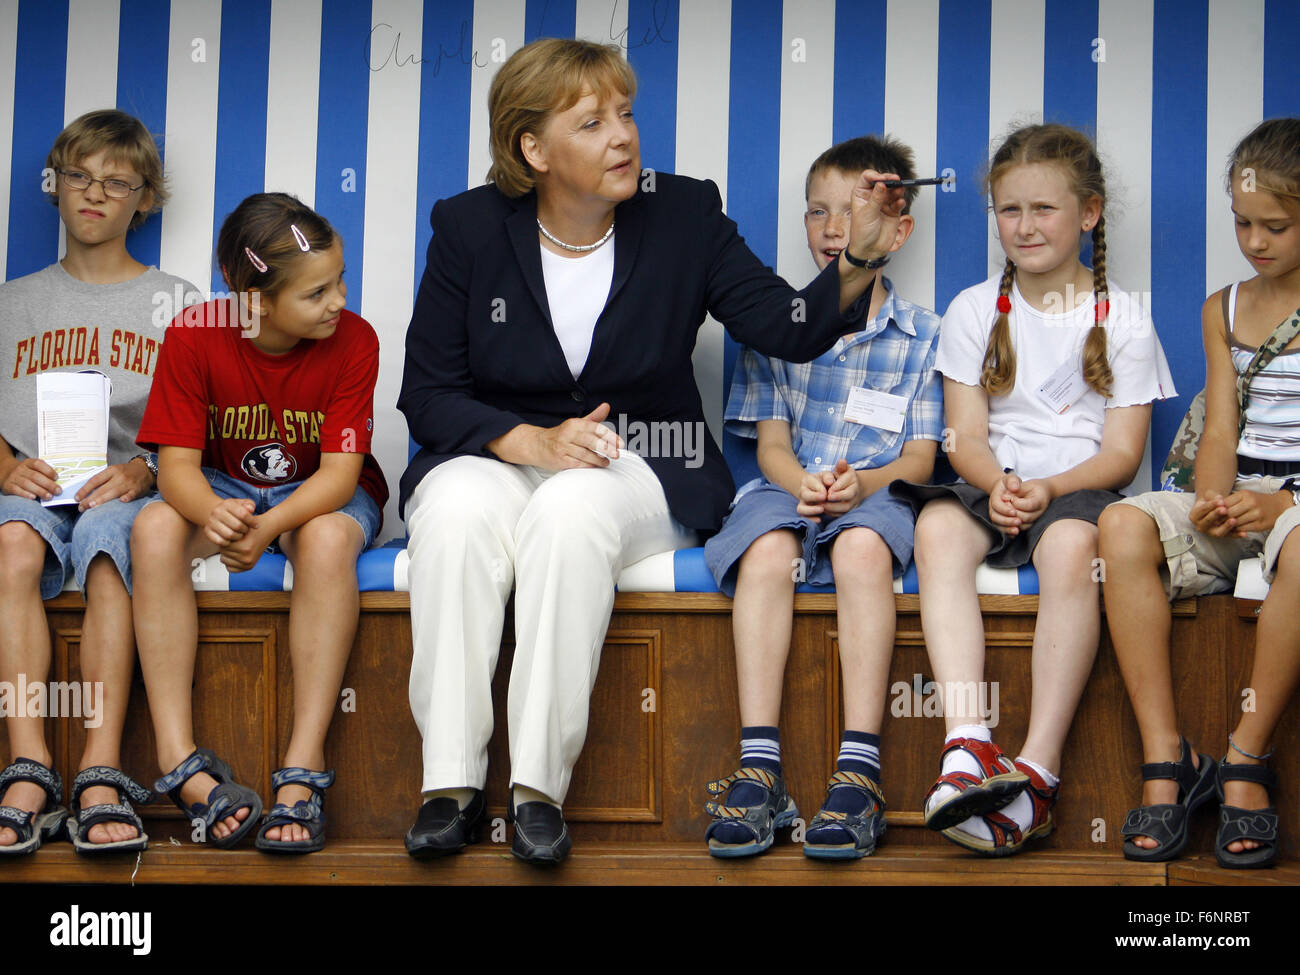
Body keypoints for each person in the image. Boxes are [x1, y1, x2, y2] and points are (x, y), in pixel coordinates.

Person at [399, 38, 906, 865]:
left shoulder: (684, 212)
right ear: (533, 149)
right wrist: (532, 439)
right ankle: (450, 785)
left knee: (568, 510)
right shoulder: (466, 226)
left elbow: (788, 327)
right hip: (499, 452)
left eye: (626, 114)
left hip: (635, 458)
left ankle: (535, 792)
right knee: (453, 512)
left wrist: (857, 261)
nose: (624, 136)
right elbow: (428, 393)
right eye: (593, 122)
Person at [890, 123, 1174, 856]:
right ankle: (968, 742)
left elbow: (1120, 454)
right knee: (938, 529)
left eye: (1044, 209)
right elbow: (965, 438)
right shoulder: (973, 309)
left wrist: (1047, 489)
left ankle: (1037, 771)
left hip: (1076, 488)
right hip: (998, 480)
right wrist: (999, 484)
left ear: (1088, 213)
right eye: (1009, 211)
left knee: (1078, 548)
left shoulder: (1125, 318)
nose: (1024, 227)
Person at [701, 135, 942, 860]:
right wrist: (798, 482)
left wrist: (860, 486)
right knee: (768, 549)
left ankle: (860, 768)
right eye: (817, 211)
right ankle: (761, 765)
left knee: (865, 548)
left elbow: (922, 457)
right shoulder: (772, 326)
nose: (834, 227)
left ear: (896, 231)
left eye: (854, 210)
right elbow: (769, 446)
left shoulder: (924, 335)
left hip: (875, 494)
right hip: (788, 489)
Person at [131, 193, 387, 854]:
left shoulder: (355, 339)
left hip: (315, 488)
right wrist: (214, 513)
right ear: (253, 300)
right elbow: (176, 467)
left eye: (340, 280)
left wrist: (269, 524)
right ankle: (181, 760)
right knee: (153, 529)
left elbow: (338, 474)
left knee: (327, 538)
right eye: (315, 292)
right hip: (221, 483)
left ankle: (302, 771)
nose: (338, 300)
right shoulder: (194, 333)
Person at [1100, 118, 1300, 869]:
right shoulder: (1223, 307)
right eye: (1242, 222)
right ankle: (1170, 753)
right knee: (1121, 525)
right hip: (1242, 497)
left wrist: (1280, 506)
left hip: (1294, 511)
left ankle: (1246, 758)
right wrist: (1214, 496)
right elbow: (1219, 429)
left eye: (1275, 225)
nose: (1255, 241)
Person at [0, 110, 199, 855]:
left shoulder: (178, 303)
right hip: (32, 486)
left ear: (144, 199)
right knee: (12, 543)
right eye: (79, 176)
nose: (94, 194)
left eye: (117, 182)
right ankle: (28, 762)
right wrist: (4, 466)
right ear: (55, 186)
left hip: (126, 490)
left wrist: (145, 467)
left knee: (109, 545)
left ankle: (102, 766)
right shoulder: (10, 304)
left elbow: (195, 428)